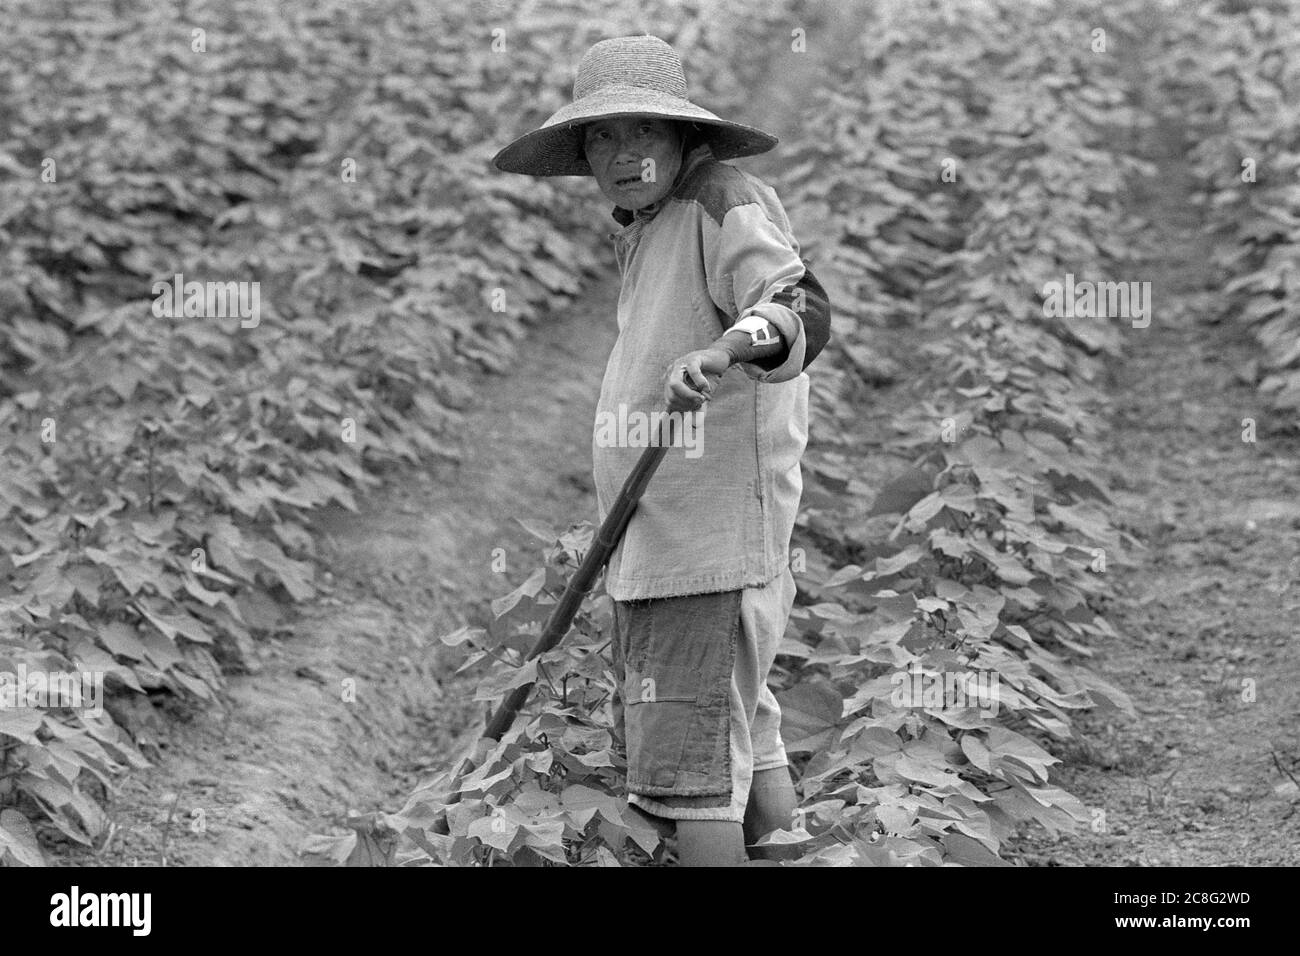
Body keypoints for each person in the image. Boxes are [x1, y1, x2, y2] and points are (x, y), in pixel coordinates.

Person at [493, 33, 831, 866]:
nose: (622, 152)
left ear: (683, 136)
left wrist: (727, 350)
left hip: (706, 545)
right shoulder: (656, 220)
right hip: (676, 532)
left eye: (643, 130)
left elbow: (795, 303)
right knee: (738, 729)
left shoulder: (722, 201)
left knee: (689, 770)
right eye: (602, 136)